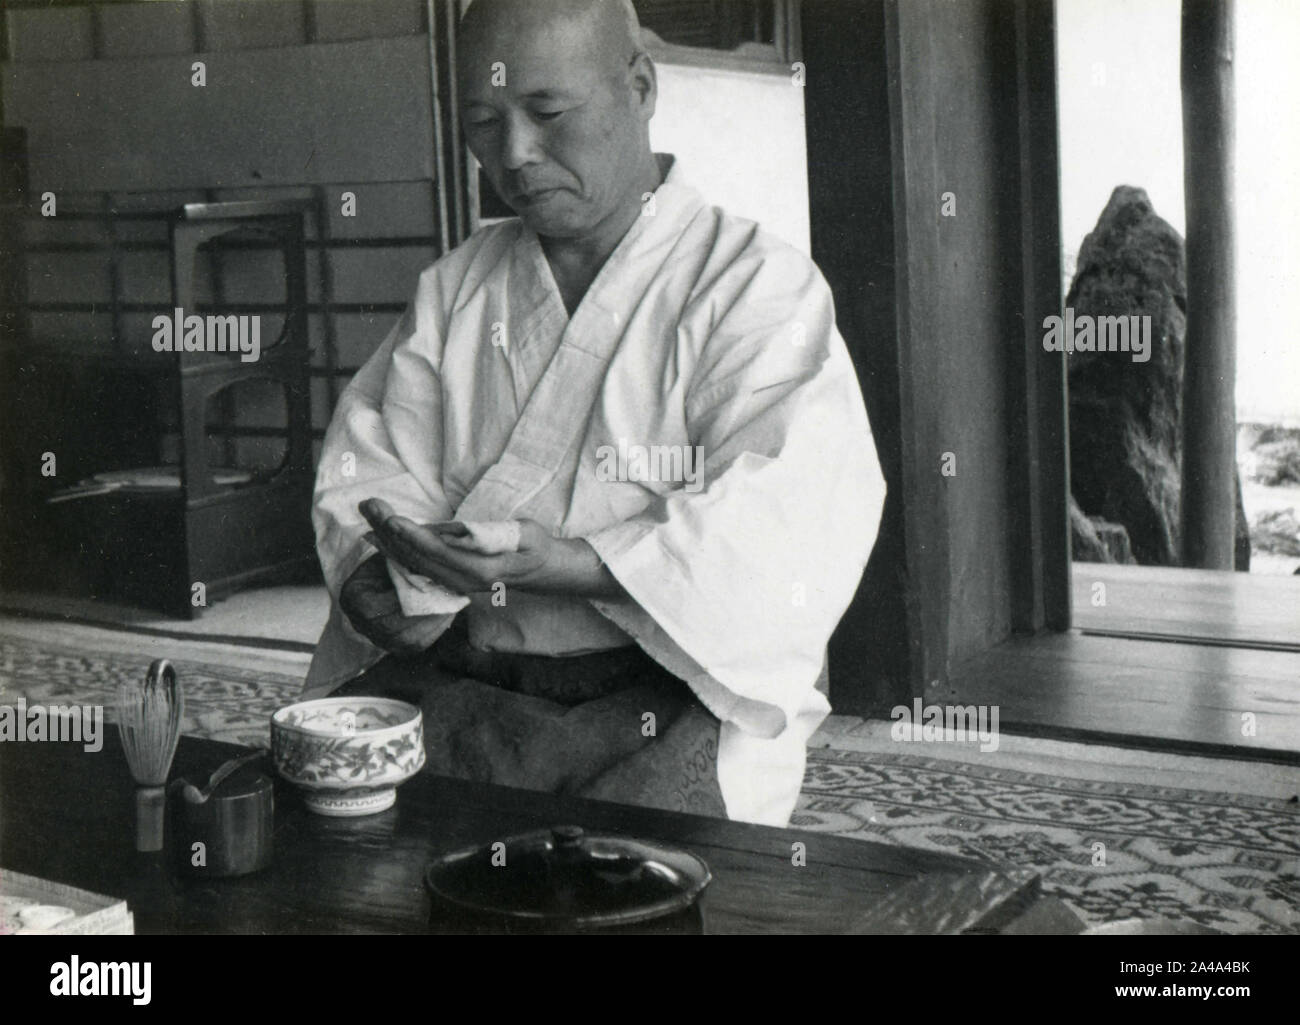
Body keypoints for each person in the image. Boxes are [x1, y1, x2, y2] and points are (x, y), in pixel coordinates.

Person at [303, 0, 885, 827]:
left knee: (626, 890)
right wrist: (385, 572)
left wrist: (570, 563)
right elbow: (365, 465)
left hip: (664, 696)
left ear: (640, 85)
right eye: (482, 121)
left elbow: (787, 517)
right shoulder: (456, 290)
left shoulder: (754, 285)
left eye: (546, 113)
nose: (514, 154)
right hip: (465, 676)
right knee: (348, 853)